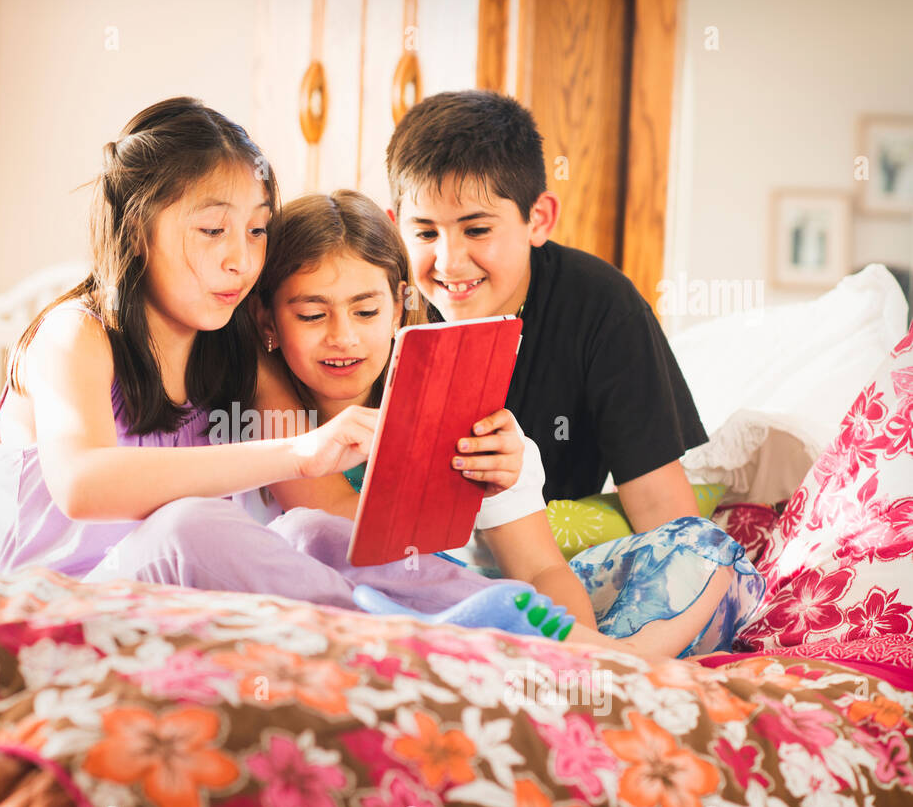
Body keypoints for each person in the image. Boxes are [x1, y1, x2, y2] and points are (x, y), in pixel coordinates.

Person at [245, 189, 764, 658]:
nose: (343, 337)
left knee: (702, 550)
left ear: (401, 307)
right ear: (268, 321)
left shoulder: (468, 422)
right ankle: (618, 655)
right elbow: (323, 519)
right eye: (313, 316)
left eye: (365, 312)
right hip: (382, 615)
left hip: (507, 613)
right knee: (314, 537)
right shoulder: (258, 419)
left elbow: (540, 569)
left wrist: (578, 652)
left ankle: (609, 657)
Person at [386, 90, 707, 532]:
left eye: (477, 229)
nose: (449, 261)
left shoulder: (603, 307)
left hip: (546, 558)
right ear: (394, 226)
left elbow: (660, 506)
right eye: (424, 233)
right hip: (411, 553)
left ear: (537, 219)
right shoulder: (377, 305)